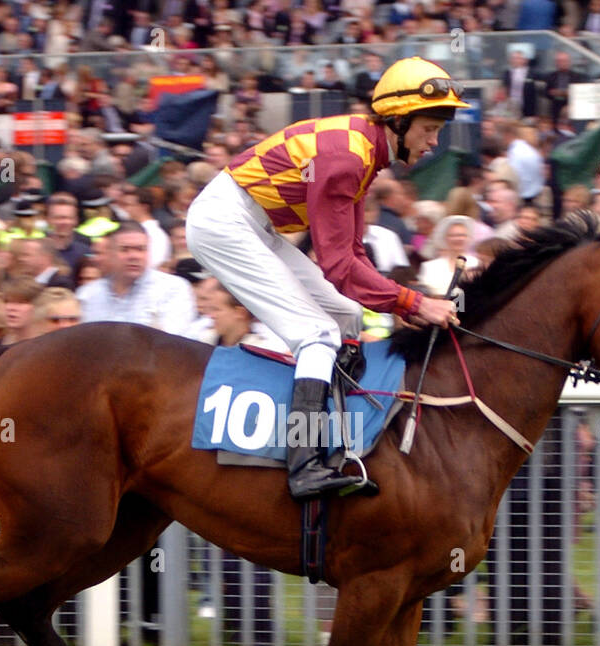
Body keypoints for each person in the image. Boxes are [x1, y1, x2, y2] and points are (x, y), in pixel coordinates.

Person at [186, 56, 465, 500]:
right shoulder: (347, 159)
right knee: (316, 334)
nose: (433, 142)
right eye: (429, 128)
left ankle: (341, 419)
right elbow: (338, 266)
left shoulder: (366, 149)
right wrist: (414, 304)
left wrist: (404, 301)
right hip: (224, 222)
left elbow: (352, 256)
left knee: (344, 310)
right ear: (398, 121)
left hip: (252, 221)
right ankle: (304, 464)